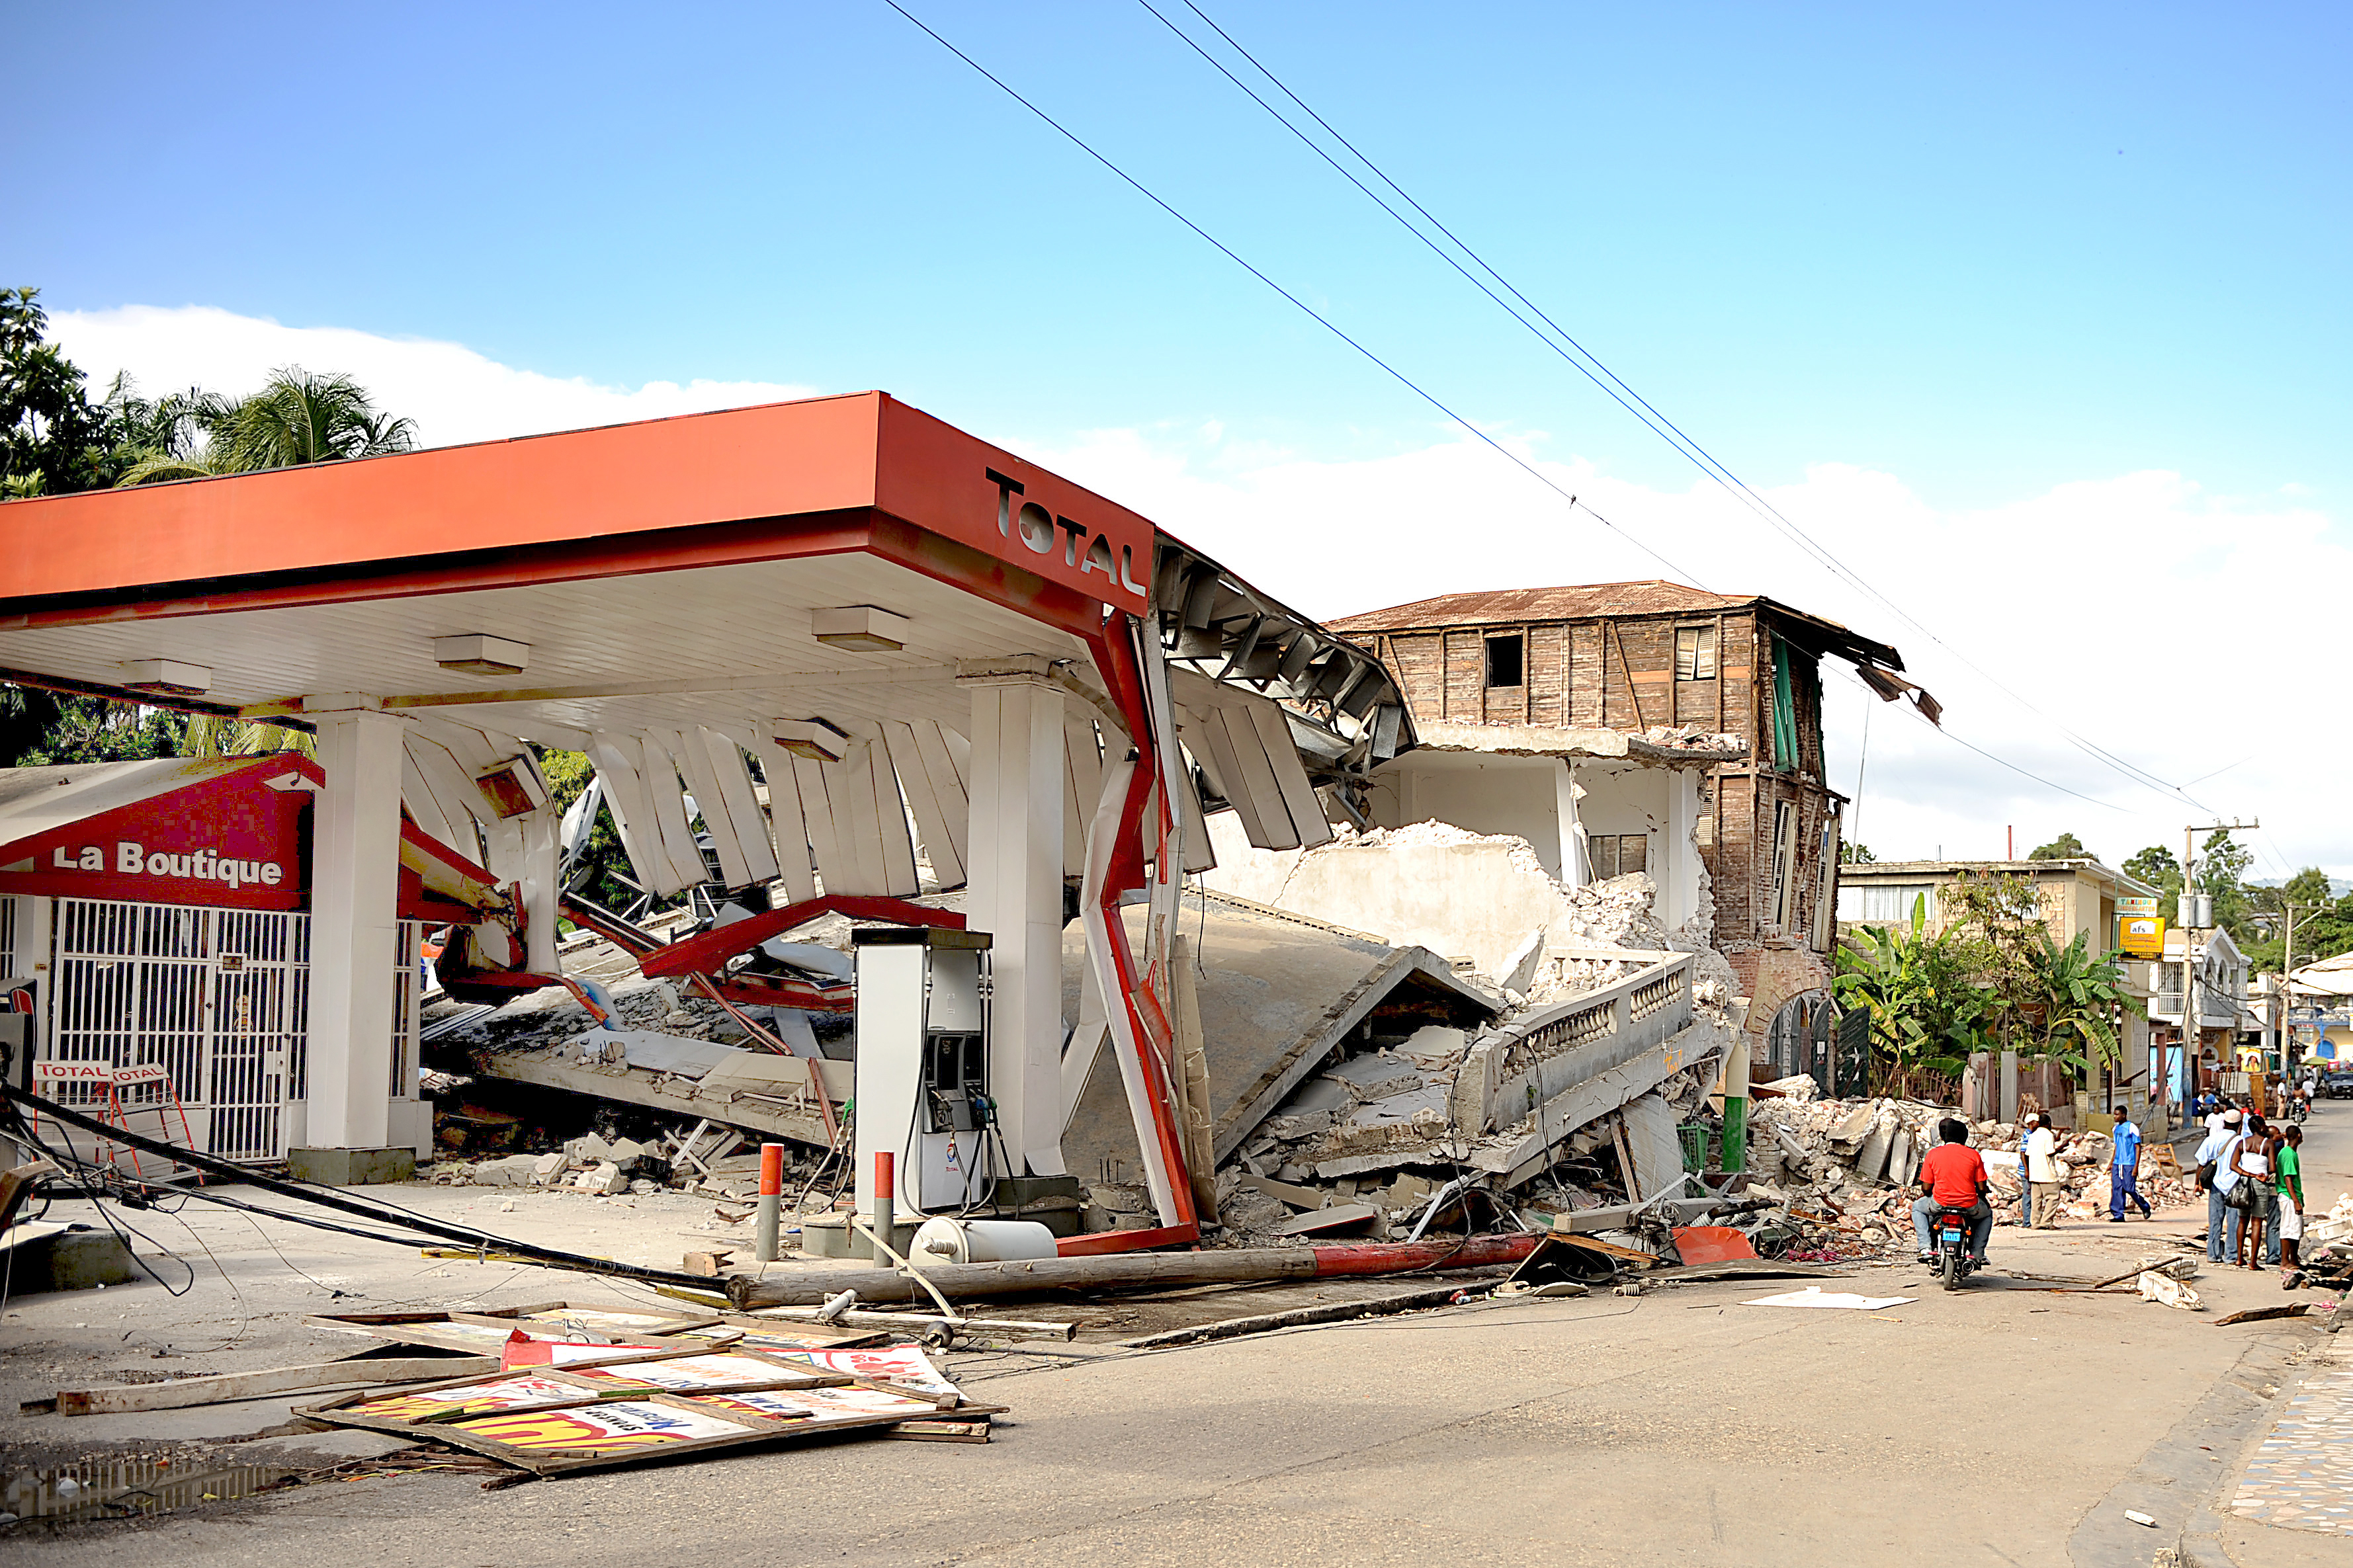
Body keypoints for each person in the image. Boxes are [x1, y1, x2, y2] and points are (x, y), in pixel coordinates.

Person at [1912, 1117, 1993, 1266]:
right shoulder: (1973, 1155)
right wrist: (1983, 1198)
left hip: (1940, 1203)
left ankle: (1925, 1248)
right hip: (1969, 1206)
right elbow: (1981, 1188)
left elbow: (1926, 1188)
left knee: (1917, 1208)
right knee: (1987, 1215)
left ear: (1945, 1137)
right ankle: (1977, 1254)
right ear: (1965, 1137)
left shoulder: (1933, 1154)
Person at [2195, 1108, 2243, 1263]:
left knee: (2215, 1221)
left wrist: (2198, 1183)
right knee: (2234, 1222)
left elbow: (2201, 1163)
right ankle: (2231, 1255)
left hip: (2216, 1185)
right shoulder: (2241, 1141)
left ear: (2224, 1123)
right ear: (2239, 1124)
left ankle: (2213, 1254)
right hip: (2235, 1186)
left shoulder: (2212, 1139)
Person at [2230, 1115, 2275, 1270]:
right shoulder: (2268, 1143)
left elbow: (2233, 1166)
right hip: (2260, 1184)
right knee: (2257, 1223)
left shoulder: (2242, 1143)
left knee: (2242, 1221)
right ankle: (2253, 1262)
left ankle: (2239, 1258)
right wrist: (2258, 1175)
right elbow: (2273, 1168)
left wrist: (2248, 1174)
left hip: (2244, 1184)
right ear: (2261, 1126)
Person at [2107, 1107, 2151, 1221]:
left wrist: (2136, 1166)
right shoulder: (2116, 1129)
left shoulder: (2131, 1128)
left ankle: (2145, 1207)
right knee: (2117, 1188)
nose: (2115, 1117)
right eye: (2114, 1114)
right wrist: (2111, 1162)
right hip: (2118, 1163)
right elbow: (2116, 1147)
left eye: (2117, 1114)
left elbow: (2137, 1147)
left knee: (2129, 1188)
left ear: (2124, 1115)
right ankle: (2118, 1214)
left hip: (2128, 1163)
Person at [2024, 1113, 2066, 1228]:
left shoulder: (2033, 1135)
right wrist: (2062, 1146)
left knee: (2036, 1200)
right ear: (2048, 1124)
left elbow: (2027, 1154)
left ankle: (2035, 1223)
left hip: (2034, 1173)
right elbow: (2050, 1152)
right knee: (2053, 1197)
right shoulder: (2048, 1135)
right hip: (2047, 1174)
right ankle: (2046, 1222)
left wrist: (2028, 1170)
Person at [2277, 1123, 2306, 1287]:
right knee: (2288, 1229)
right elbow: (2288, 1178)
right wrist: (2296, 1201)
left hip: (2292, 1196)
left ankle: (2294, 1259)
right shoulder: (2288, 1154)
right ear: (2299, 1136)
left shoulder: (2288, 1152)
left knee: (2296, 1229)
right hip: (2289, 1196)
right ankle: (2285, 1261)